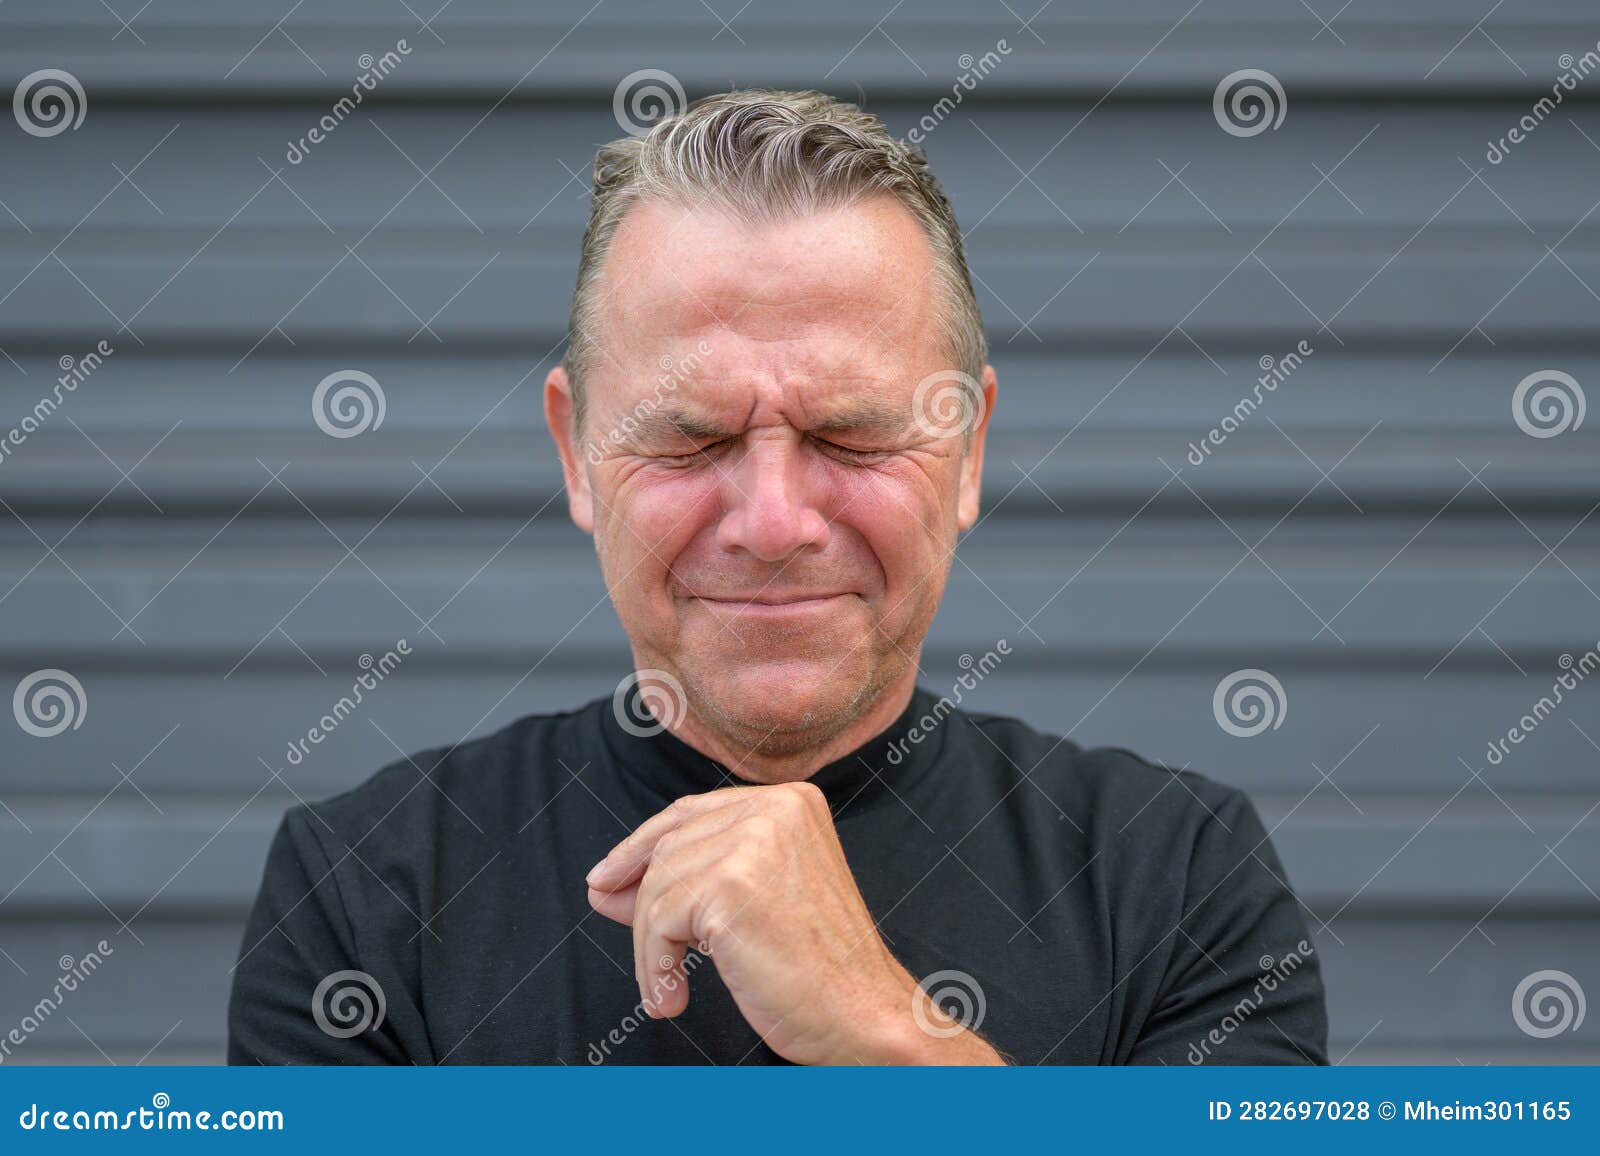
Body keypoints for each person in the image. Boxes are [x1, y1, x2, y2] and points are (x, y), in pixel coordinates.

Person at [228, 89, 1327, 1065]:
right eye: (691, 439)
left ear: (967, 453)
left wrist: (889, 1036)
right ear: (575, 453)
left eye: (851, 436)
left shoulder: (1174, 878)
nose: (771, 524)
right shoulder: (370, 892)